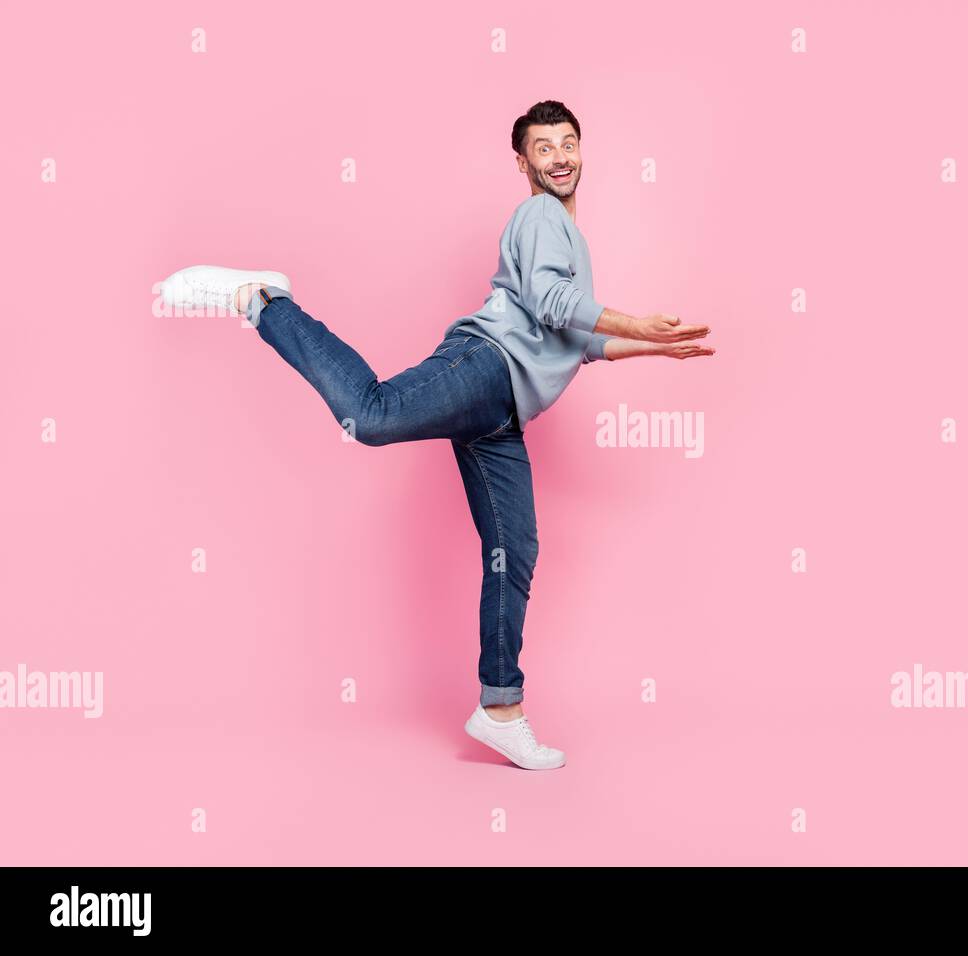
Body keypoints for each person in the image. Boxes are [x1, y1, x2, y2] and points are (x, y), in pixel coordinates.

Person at [159, 100, 714, 770]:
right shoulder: (540, 215)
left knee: (516, 547)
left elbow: (574, 339)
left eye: (569, 143)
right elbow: (550, 305)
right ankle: (265, 302)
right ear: (524, 163)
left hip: (504, 408)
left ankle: (500, 707)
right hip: (482, 370)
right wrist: (638, 323)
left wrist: (653, 347)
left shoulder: (572, 239)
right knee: (371, 415)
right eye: (545, 148)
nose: (561, 156)